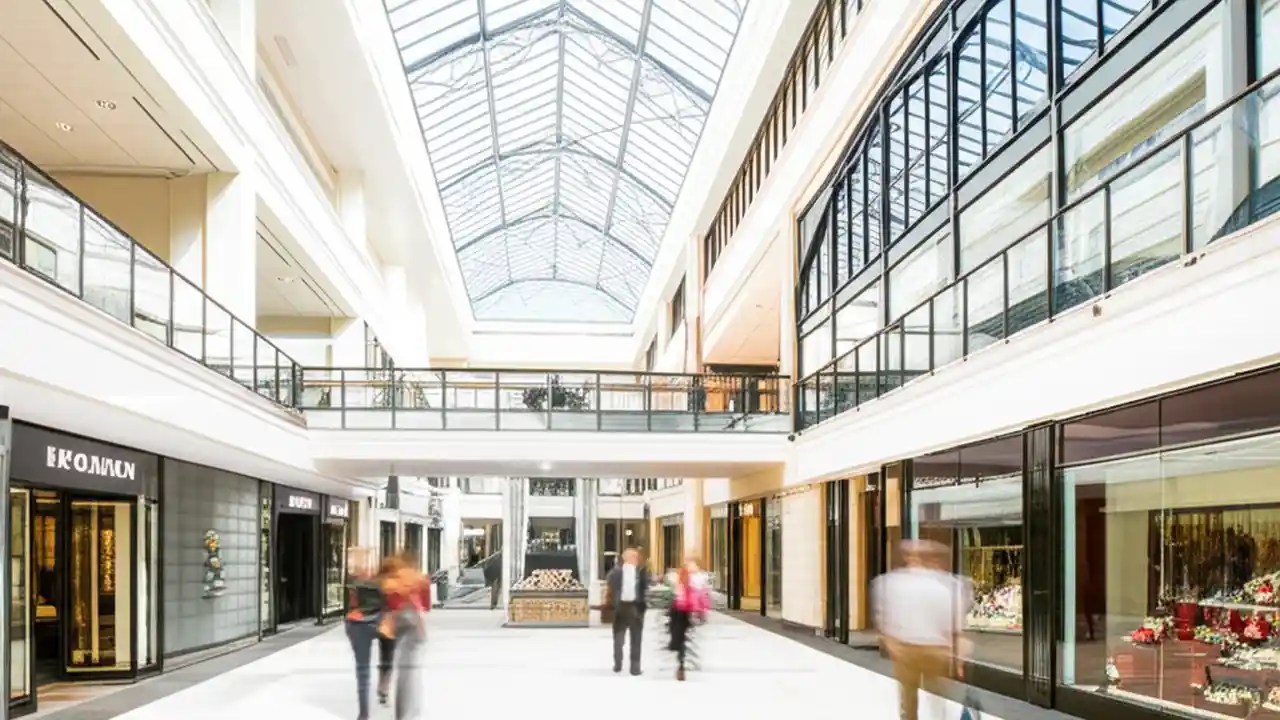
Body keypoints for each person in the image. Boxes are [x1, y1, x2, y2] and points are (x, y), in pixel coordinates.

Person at [871, 540, 972, 720]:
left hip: (906, 650)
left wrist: (891, 643)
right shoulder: (950, 585)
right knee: (937, 697)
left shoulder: (892, 582)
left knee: (908, 698)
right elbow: (956, 626)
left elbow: (884, 616)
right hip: (936, 650)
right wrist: (958, 658)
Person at [382, 552, 431, 720]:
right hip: (415, 625)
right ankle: (409, 711)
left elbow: (389, 604)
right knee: (410, 671)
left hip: (397, 625)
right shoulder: (420, 579)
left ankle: (402, 712)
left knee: (403, 670)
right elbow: (426, 606)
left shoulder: (390, 582)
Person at [344, 548, 383, 720]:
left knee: (362, 670)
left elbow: (352, 605)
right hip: (376, 622)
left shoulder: (353, 582)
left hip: (357, 624)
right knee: (386, 660)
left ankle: (364, 713)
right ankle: (385, 684)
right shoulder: (379, 582)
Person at [606, 547, 650, 675]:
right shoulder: (618, 572)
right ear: (627, 558)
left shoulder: (639, 571)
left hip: (632, 606)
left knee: (629, 638)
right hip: (625, 607)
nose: (637, 559)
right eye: (634, 557)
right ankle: (624, 664)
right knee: (624, 638)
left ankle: (629, 666)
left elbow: (645, 587)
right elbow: (610, 582)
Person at [668, 558, 711, 681]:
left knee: (680, 638)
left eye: (693, 565)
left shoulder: (698, 578)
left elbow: (703, 596)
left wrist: (703, 611)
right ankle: (681, 662)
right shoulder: (682, 576)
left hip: (685, 611)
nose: (690, 567)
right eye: (688, 564)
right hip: (680, 611)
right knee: (680, 638)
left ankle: (681, 663)